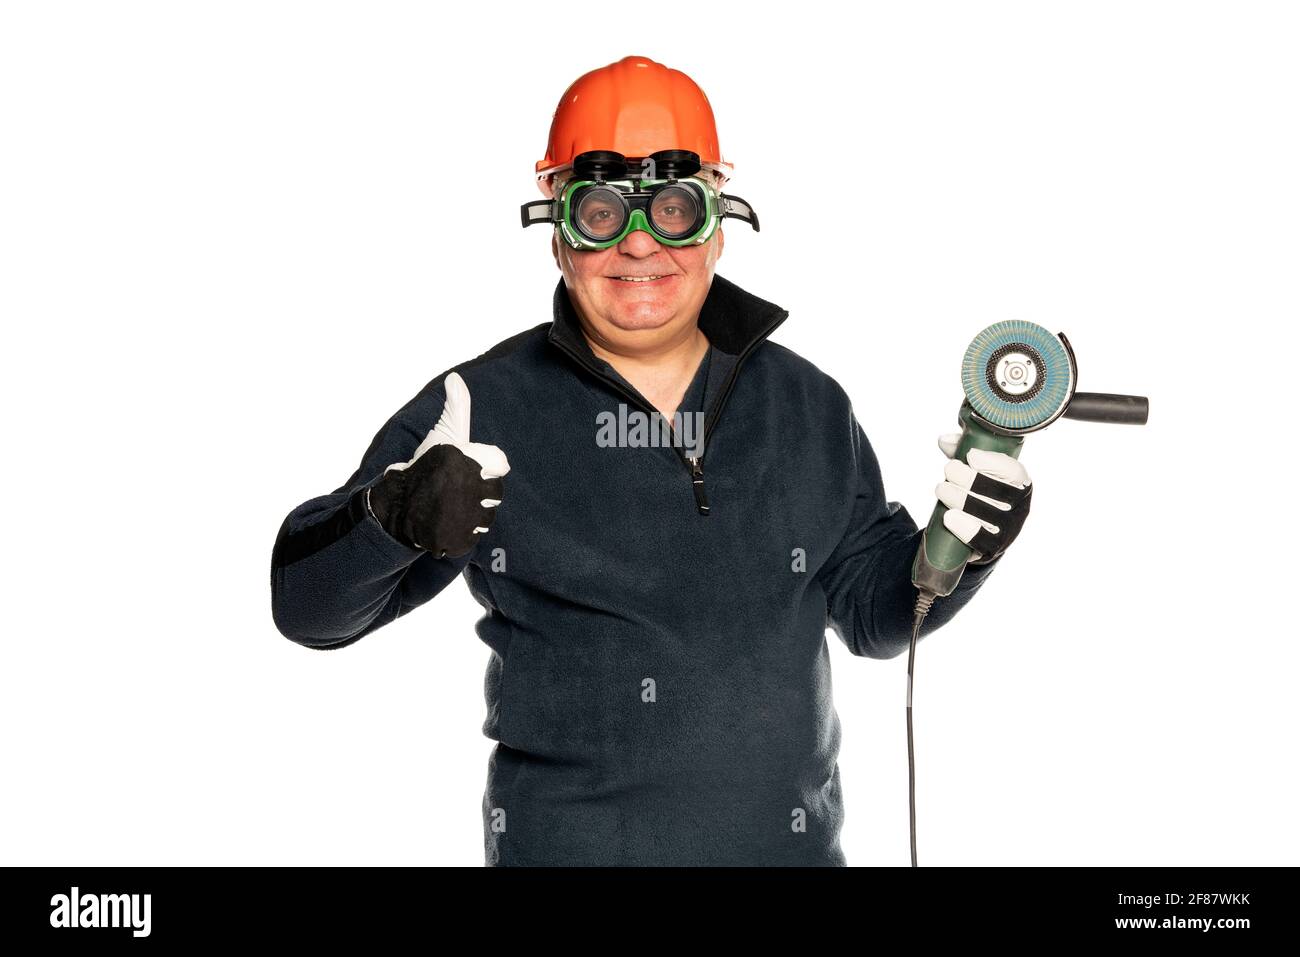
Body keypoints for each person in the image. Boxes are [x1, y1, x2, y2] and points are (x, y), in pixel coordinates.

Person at [269, 55, 1032, 866]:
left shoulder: (808, 405)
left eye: (672, 207)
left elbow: (877, 617)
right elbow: (305, 608)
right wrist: (391, 519)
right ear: (559, 231)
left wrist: (961, 549)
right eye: (601, 212)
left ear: (717, 224)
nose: (639, 244)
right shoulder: (480, 409)